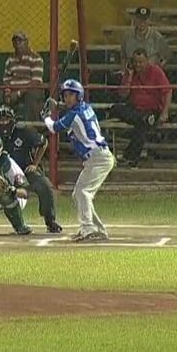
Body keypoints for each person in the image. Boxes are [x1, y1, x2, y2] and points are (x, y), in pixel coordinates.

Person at [42, 79, 115, 242]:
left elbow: (54, 127)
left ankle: (89, 229)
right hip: (97, 157)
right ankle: (96, 229)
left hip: (98, 158)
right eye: (65, 95)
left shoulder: (74, 115)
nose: (67, 98)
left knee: (83, 193)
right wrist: (57, 106)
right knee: (79, 194)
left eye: (71, 95)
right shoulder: (85, 108)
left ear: (79, 96)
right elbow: (72, 116)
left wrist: (46, 117)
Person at [0, 107, 62, 233]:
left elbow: (43, 142)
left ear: (13, 120)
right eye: (0, 120)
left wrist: (35, 164)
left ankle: (50, 220)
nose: (3, 123)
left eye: (6, 119)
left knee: (45, 186)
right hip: (0, 172)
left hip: (24, 170)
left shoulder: (24, 132)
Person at [110, 48, 172, 168]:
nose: (138, 65)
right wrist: (129, 76)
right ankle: (144, 119)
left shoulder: (156, 71)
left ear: (147, 61)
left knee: (142, 126)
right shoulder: (130, 73)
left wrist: (165, 112)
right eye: (136, 62)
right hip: (135, 110)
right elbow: (123, 94)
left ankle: (129, 158)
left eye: (141, 62)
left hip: (152, 110)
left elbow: (168, 91)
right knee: (115, 109)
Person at [2, 31, 45, 121]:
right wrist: (8, 93)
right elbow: (6, 80)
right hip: (13, 89)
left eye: (20, 41)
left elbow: (36, 81)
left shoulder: (36, 58)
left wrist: (18, 93)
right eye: (15, 42)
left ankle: (31, 127)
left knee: (32, 95)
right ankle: (3, 124)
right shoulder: (10, 59)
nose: (17, 44)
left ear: (26, 42)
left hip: (29, 89)